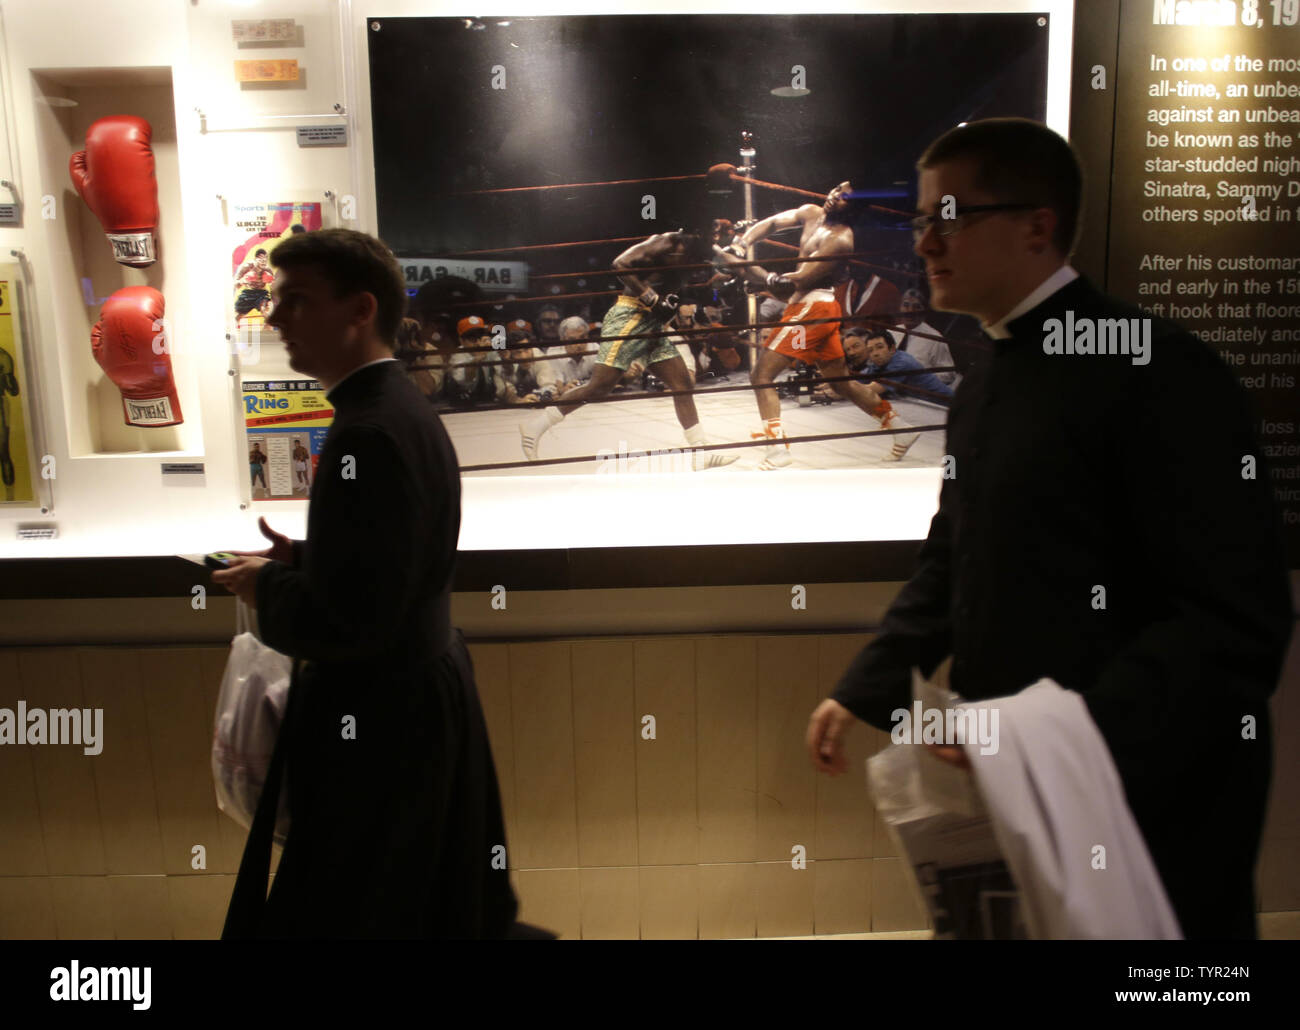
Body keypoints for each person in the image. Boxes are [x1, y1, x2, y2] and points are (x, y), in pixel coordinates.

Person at [804, 118, 1292, 939]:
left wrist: (1048, 737)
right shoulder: (984, 381)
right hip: (1023, 786)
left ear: (1038, 225)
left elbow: (1236, 620)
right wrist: (866, 687)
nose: (926, 242)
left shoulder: (1161, 368)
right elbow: (953, 558)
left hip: (1149, 792)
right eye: (921, 220)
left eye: (950, 216)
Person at [212, 228, 518, 938]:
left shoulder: (367, 430)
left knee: (364, 914)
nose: (275, 317)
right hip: (417, 695)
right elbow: (391, 560)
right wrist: (307, 559)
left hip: (382, 721)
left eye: (296, 299)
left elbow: (353, 621)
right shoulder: (392, 406)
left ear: (359, 309)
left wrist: (267, 588)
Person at [714, 182, 920, 468]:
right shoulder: (811, 213)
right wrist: (742, 243)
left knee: (761, 375)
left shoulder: (841, 240)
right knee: (840, 381)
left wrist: (745, 269)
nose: (835, 195)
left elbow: (797, 281)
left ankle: (777, 450)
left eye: (845, 196)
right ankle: (900, 427)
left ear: (854, 207)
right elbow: (772, 223)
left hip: (812, 311)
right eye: (837, 189)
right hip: (813, 309)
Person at [518, 228, 738, 470]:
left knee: (682, 383)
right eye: (713, 229)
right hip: (629, 316)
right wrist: (651, 298)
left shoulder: (705, 247)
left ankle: (699, 451)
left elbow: (735, 261)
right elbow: (620, 263)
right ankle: (535, 426)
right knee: (599, 387)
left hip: (651, 322)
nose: (716, 235)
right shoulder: (666, 242)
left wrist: (749, 252)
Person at [858, 329, 953, 401]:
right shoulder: (878, 363)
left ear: (892, 349)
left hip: (944, 405)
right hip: (919, 403)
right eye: (870, 350)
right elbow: (858, 379)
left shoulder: (902, 363)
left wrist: (850, 388)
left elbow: (872, 390)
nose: (875, 353)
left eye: (880, 347)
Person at [890, 289, 959, 387]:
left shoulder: (935, 339)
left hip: (916, 392)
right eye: (906, 305)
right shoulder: (891, 332)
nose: (910, 311)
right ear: (900, 308)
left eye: (917, 307)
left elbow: (949, 375)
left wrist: (920, 379)